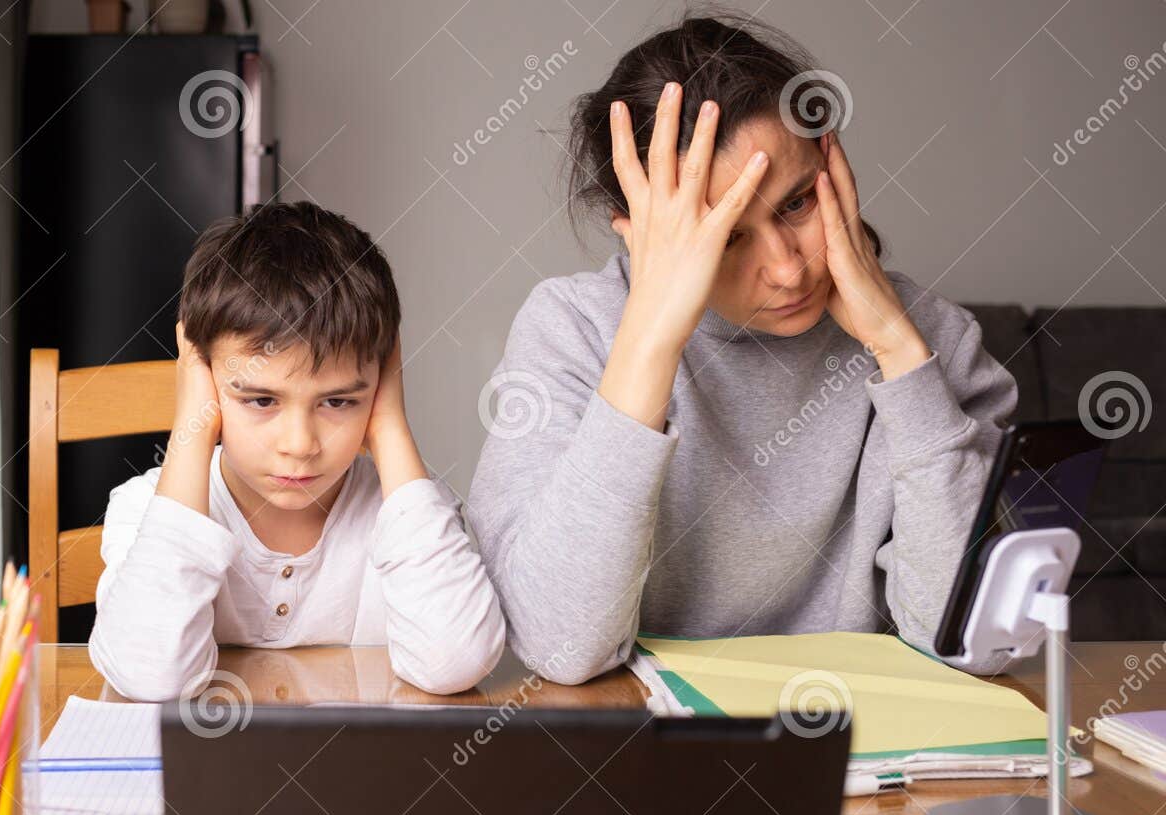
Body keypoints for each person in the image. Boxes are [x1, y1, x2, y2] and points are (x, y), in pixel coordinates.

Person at [466, 12, 1016, 684]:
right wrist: (651, 338)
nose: (787, 269)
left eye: (796, 204)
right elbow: (561, 646)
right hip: (640, 756)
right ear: (642, 239)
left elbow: (966, 642)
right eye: (725, 238)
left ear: (829, 163)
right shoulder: (572, 330)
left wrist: (900, 351)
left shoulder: (933, 342)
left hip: (856, 753)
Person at [89, 201, 506, 700]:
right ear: (199, 369)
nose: (299, 445)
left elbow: (456, 664)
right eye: (261, 400)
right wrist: (192, 429)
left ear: (380, 383)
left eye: (338, 401)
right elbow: (150, 676)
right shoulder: (148, 510)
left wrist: (391, 427)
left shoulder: (411, 510)